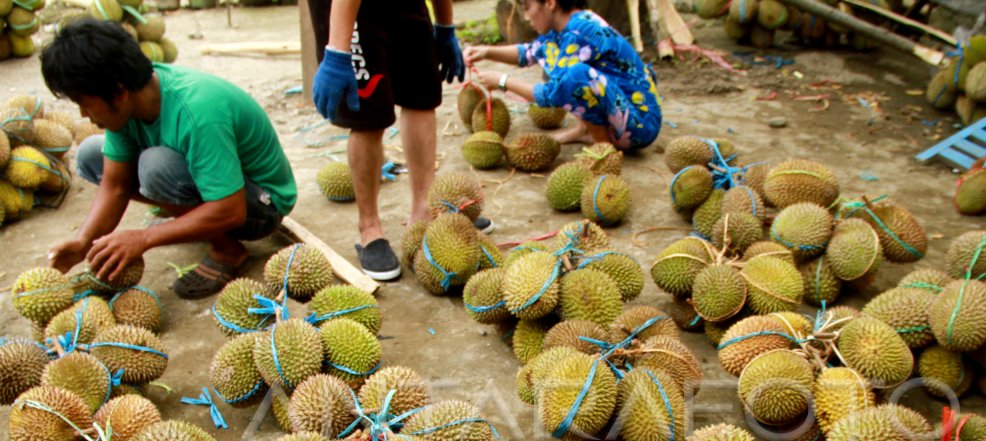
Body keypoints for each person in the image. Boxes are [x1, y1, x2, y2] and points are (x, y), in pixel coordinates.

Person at [41, 18, 297, 299]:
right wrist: (82, 242)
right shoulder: (129, 104)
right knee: (92, 154)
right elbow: (115, 185)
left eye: (83, 102)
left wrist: (144, 238)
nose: (82, 114)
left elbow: (231, 209)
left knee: (155, 167)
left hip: (261, 205)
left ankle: (228, 249)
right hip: (221, 189)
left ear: (119, 92)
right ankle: (186, 213)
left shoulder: (198, 111)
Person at [307, 0, 479, 282]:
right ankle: (369, 229)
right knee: (368, 114)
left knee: (422, 95)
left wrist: (445, 25)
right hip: (349, 9)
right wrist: (338, 51)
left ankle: (423, 210)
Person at [463, 0, 662, 151]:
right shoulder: (560, 31)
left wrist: (502, 81)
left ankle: (604, 150)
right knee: (553, 55)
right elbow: (529, 52)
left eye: (527, 7)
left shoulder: (583, 28)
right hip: (618, 113)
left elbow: (553, 93)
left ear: (550, 3)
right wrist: (486, 51)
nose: (526, 17)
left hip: (639, 126)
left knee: (575, 76)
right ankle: (585, 130)